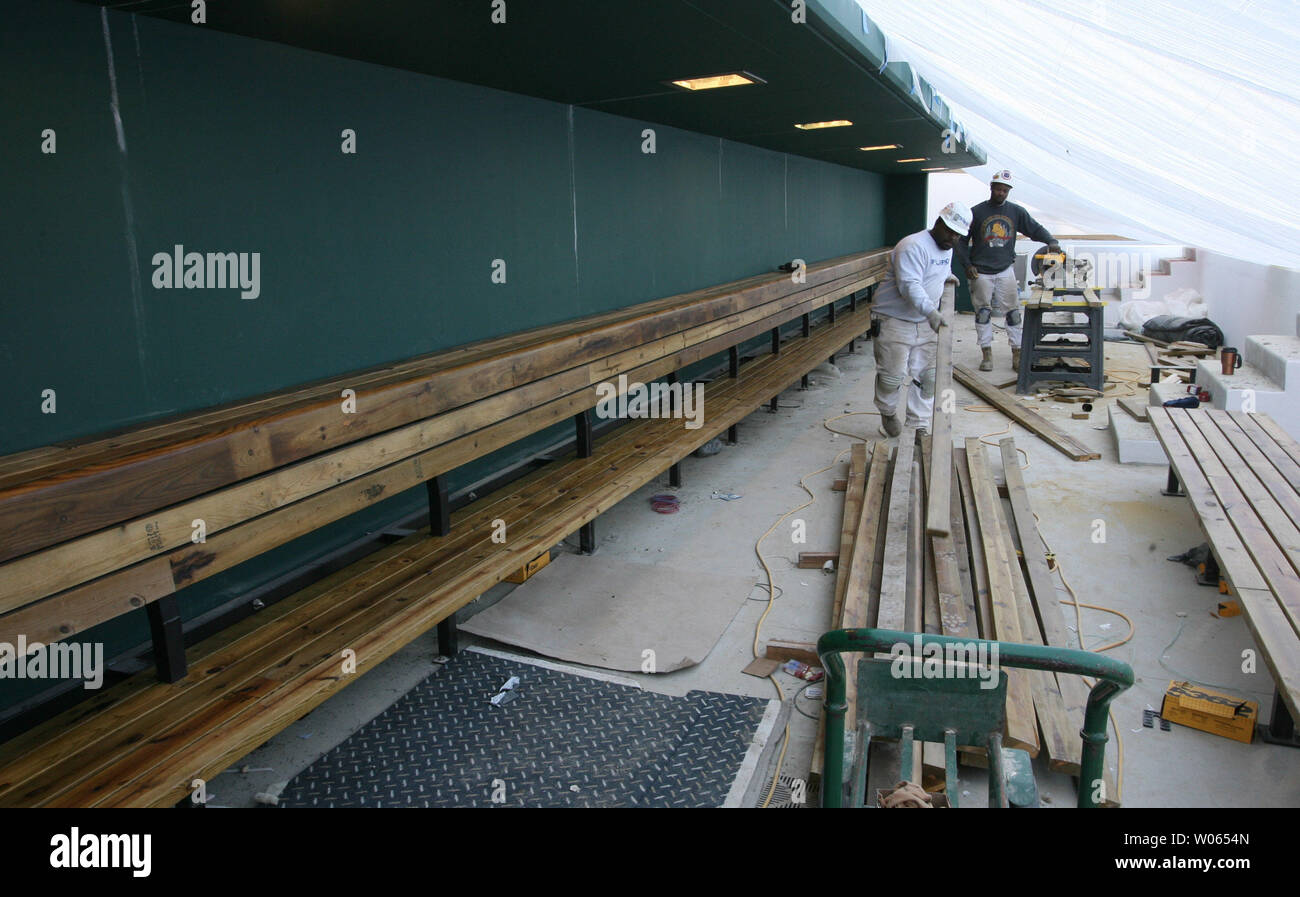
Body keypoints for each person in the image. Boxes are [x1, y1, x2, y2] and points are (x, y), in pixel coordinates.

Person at [871, 201, 972, 438]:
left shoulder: (947, 246)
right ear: (938, 222)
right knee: (891, 377)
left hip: (925, 321)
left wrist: (946, 276)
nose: (952, 239)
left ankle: (918, 425)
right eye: (949, 231)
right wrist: (932, 313)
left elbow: (935, 268)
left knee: (927, 377)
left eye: (957, 235)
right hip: (894, 320)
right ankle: (887, 412)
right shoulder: (913, 246)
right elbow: (910, 286)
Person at [953, 169, 1060, 372]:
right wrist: (967, 265)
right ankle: (986, 354)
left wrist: (1051, 240)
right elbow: (960, 241)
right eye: (998, 189)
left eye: (1005, 190)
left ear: (1008, 191)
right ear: (991, 188)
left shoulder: (1016, 212)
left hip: (1004, 269)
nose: (1001, 193)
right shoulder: (976, 212)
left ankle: (1017, 353)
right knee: (983, 312)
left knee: (1012, 312)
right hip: (981, 271)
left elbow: (1034, 228)